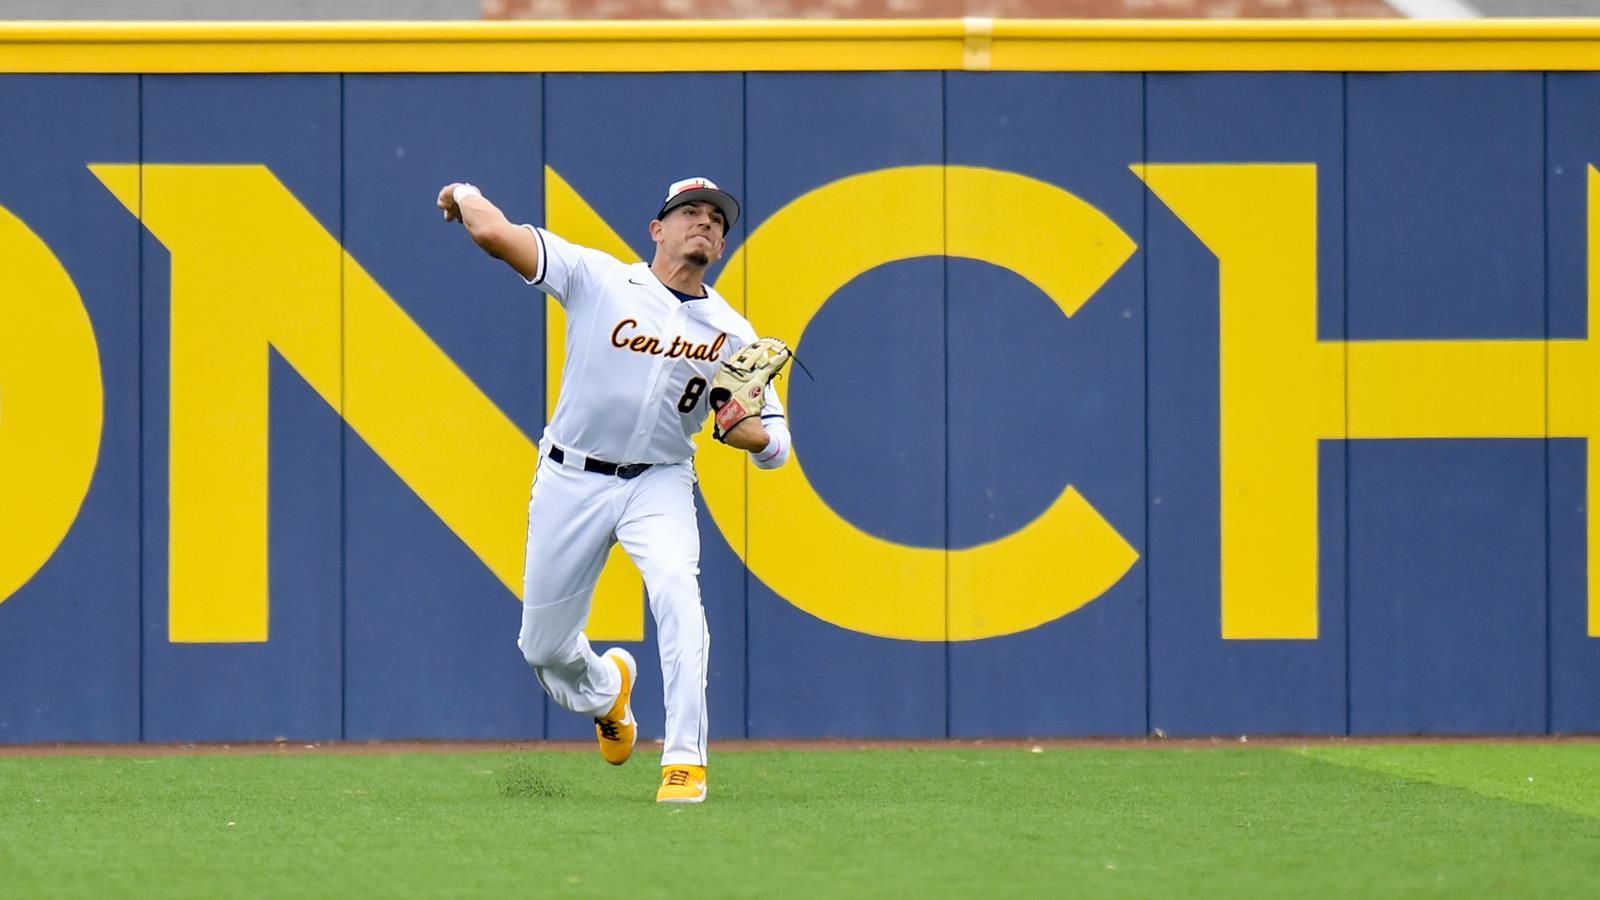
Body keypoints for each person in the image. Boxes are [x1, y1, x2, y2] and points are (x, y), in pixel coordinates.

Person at [436, 176, 790, 803]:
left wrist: (752, 436)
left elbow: (776, 447)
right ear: (658, 229)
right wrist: (464, 192)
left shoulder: (734, 334)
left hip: (660, 479)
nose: (705, 223)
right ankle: (607, 693)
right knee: (541, 648)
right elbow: (494, 233)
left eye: (716, 218)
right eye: (689, 213)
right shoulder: (598, 278)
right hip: (571, 476)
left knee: (679, 594)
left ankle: (685, 762)